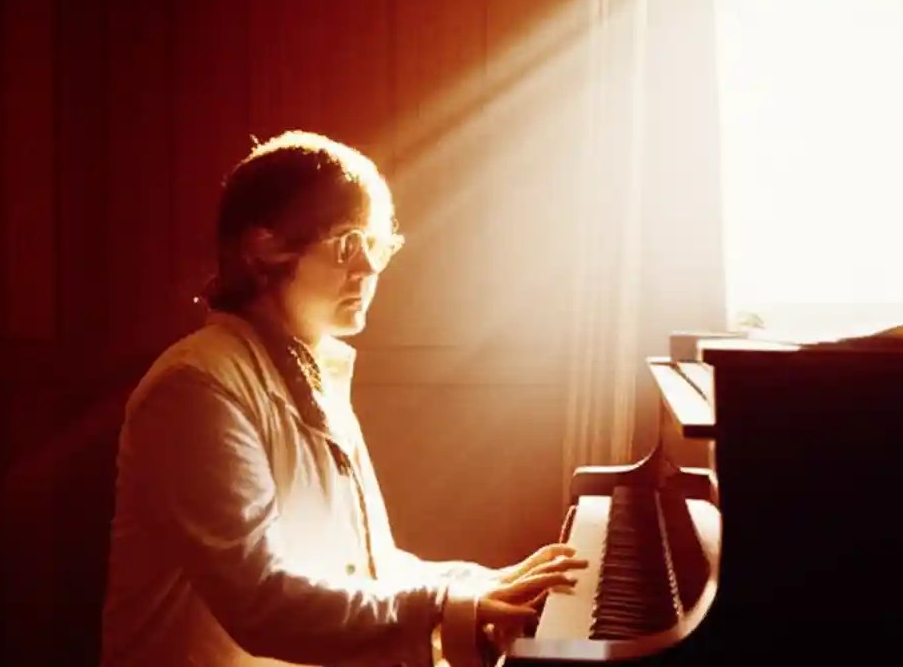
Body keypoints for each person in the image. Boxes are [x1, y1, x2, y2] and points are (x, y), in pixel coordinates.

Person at [100, 130, 586, 666]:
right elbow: (261, 599)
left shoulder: (314, 366)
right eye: (348, 243)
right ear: (264, 248)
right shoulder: (196, 385)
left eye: (377, 245)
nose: (370, 268)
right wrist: (448, 608)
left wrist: (479, 584)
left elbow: (358, 569)